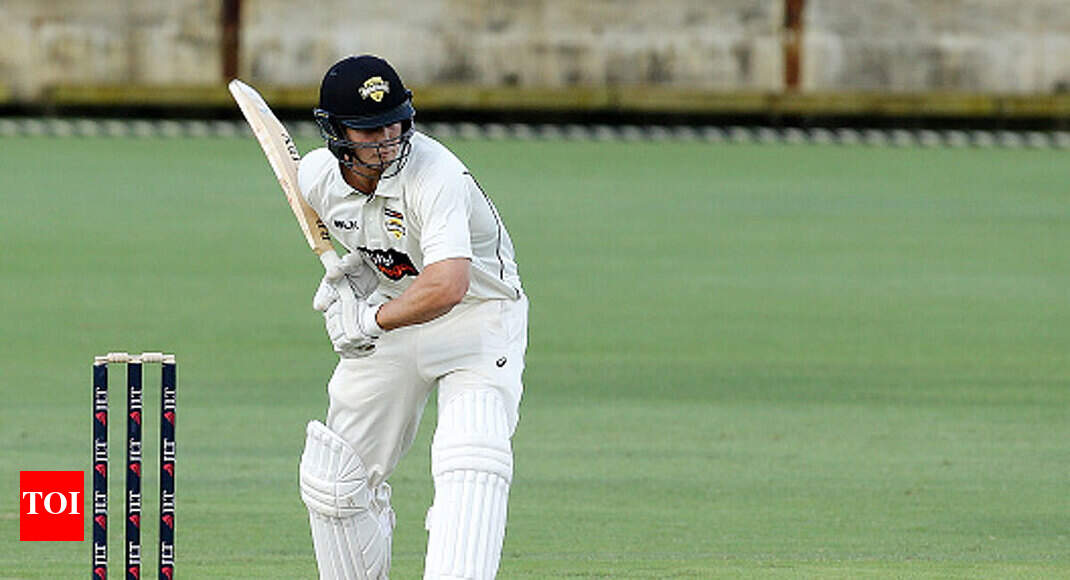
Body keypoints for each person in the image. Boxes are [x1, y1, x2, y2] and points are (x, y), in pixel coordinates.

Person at [295, 54, 527, 580]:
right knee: (335, 478)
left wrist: (369, 321)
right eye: (371, 130)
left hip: (477, 317)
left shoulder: (436, 173)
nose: (388, 137)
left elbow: (449, 283)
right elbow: (362, 233)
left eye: (395, 122)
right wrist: (354, 275)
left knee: (472, 457)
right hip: (397, 309)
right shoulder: (314, 177)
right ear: (335, 134)